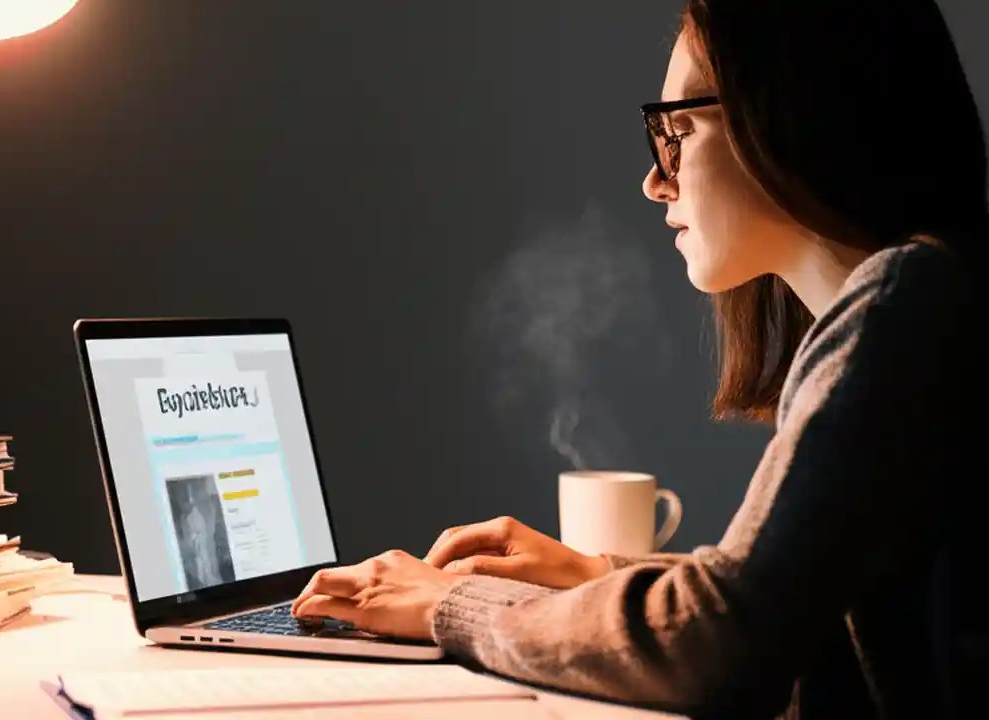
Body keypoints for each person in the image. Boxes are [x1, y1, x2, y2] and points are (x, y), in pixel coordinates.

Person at [291, 1, 985, 718]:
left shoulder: (908, 302)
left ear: (790, 115)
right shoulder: (940, 294)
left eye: (674, 130)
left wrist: (453, 604)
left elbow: (723, 640)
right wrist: (593, 574)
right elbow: (800, 605)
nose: (656, 179)